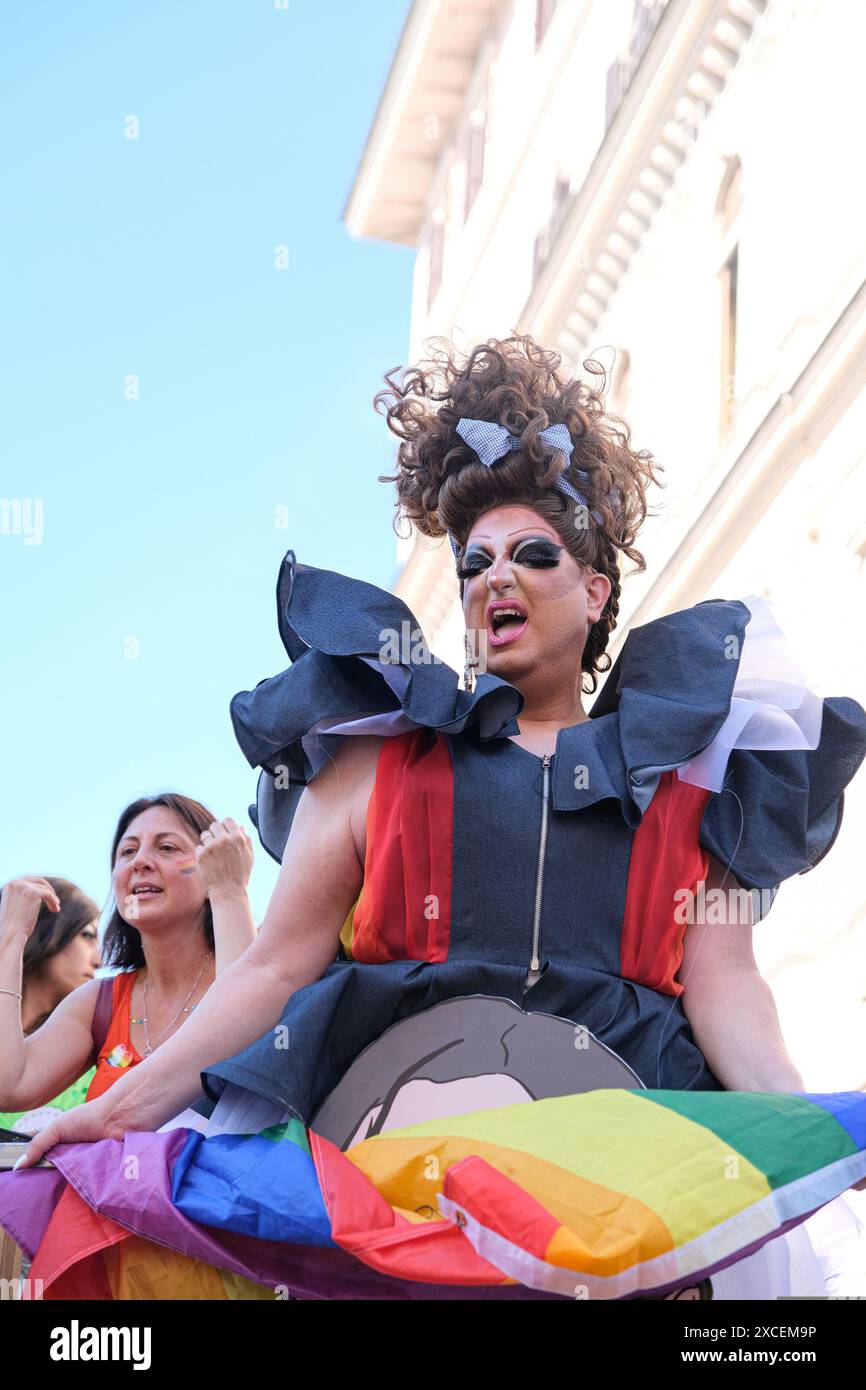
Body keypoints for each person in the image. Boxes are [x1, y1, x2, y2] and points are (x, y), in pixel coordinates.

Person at [12, 335, 866, 1300]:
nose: (495, 576)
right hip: (403, 1201)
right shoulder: (378, 763)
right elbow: (273, 969)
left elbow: (728, 992)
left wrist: (806, 1135)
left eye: (533, 554)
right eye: (474, 561)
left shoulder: (687, 788)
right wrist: (122, 1107)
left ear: (595, 593)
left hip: (628, 1216)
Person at [0, 793, 257, 1120]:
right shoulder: (98, 1004)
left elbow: (243, 1044)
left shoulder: (253, 955)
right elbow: (9, 1084)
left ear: (215, 864)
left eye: (167, 848)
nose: (140, 862)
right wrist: (10, 938)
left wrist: (228, 892)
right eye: (128, 851)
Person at [0, 877, 101, 1133]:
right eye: (88, 935)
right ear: (40, 930)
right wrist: (11, 936)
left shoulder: (92, 1053)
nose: (99, 960)